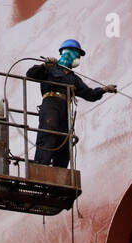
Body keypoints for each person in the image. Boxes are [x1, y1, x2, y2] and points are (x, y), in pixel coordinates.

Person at [26, 40, 115, 168]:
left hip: (64, 108)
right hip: (50, 104)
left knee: (65, 139)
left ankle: (60, 170)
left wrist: (104, 89)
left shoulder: (74, 78)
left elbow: (89, 94)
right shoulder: (50, 68)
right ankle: (41, 166)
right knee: (49, 132)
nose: (77, 58)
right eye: (76, 54)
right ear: (67, 53)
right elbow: (31, 74)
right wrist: (44, 65)